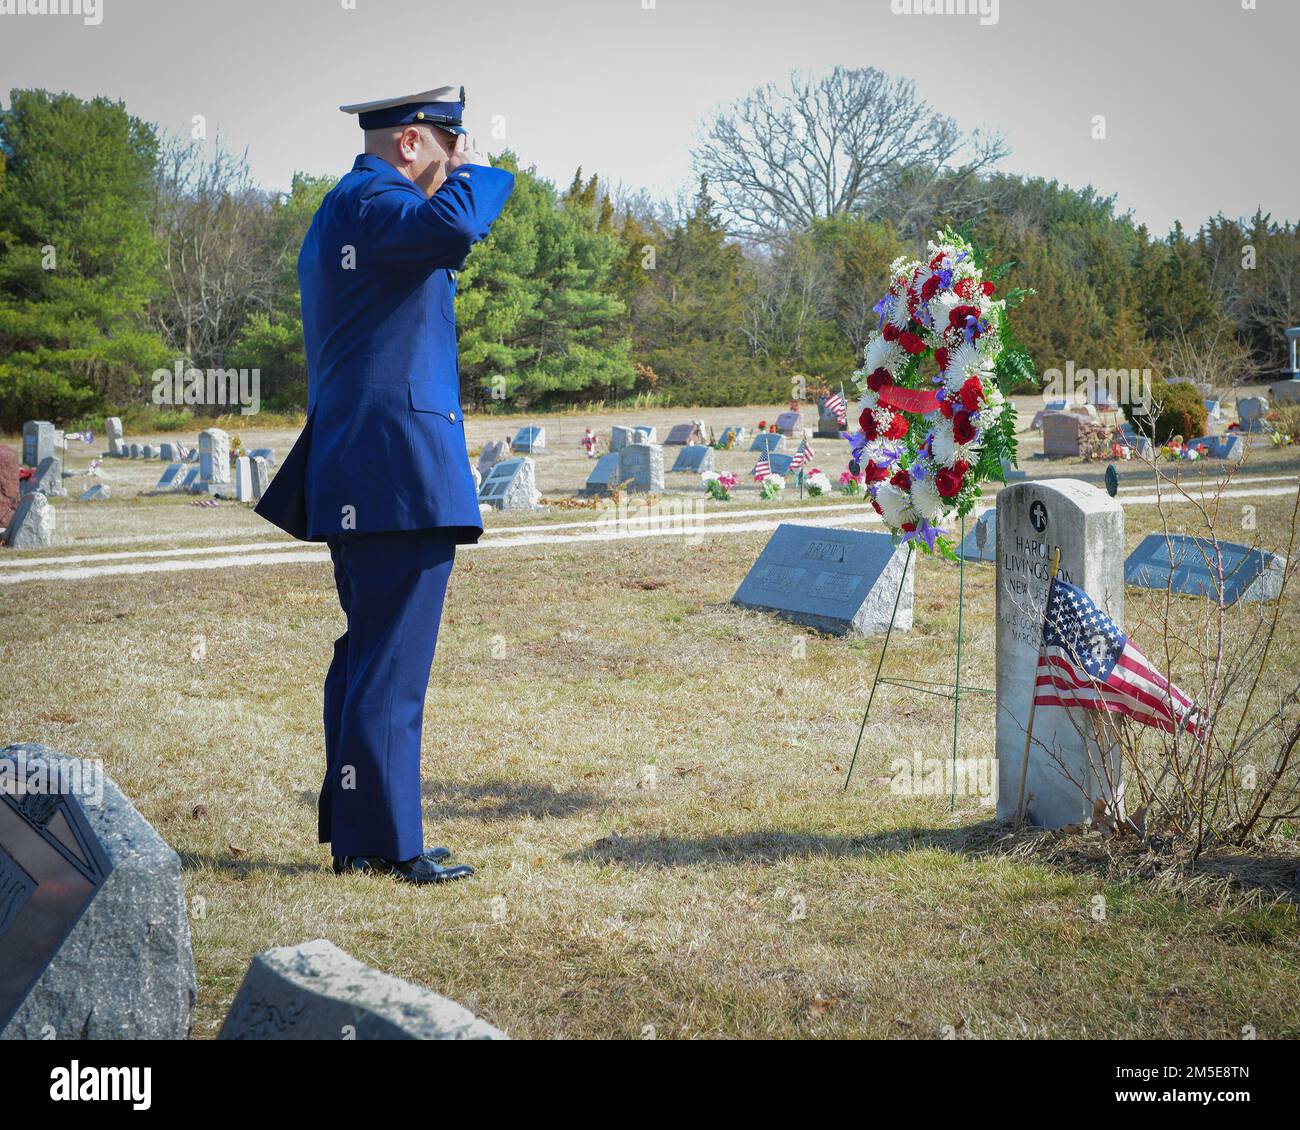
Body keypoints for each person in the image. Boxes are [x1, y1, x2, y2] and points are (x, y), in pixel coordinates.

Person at [255, 85, 515, 885]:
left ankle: (364, 832)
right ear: (412, 143)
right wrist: (487, 172)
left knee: (372, 654)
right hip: (394, 471)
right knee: (391, 661)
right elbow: (460, 224)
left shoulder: (357, 209)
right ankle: (388, 844)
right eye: (449, 145)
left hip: (372, 469)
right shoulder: (374, 198)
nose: (456, 160)